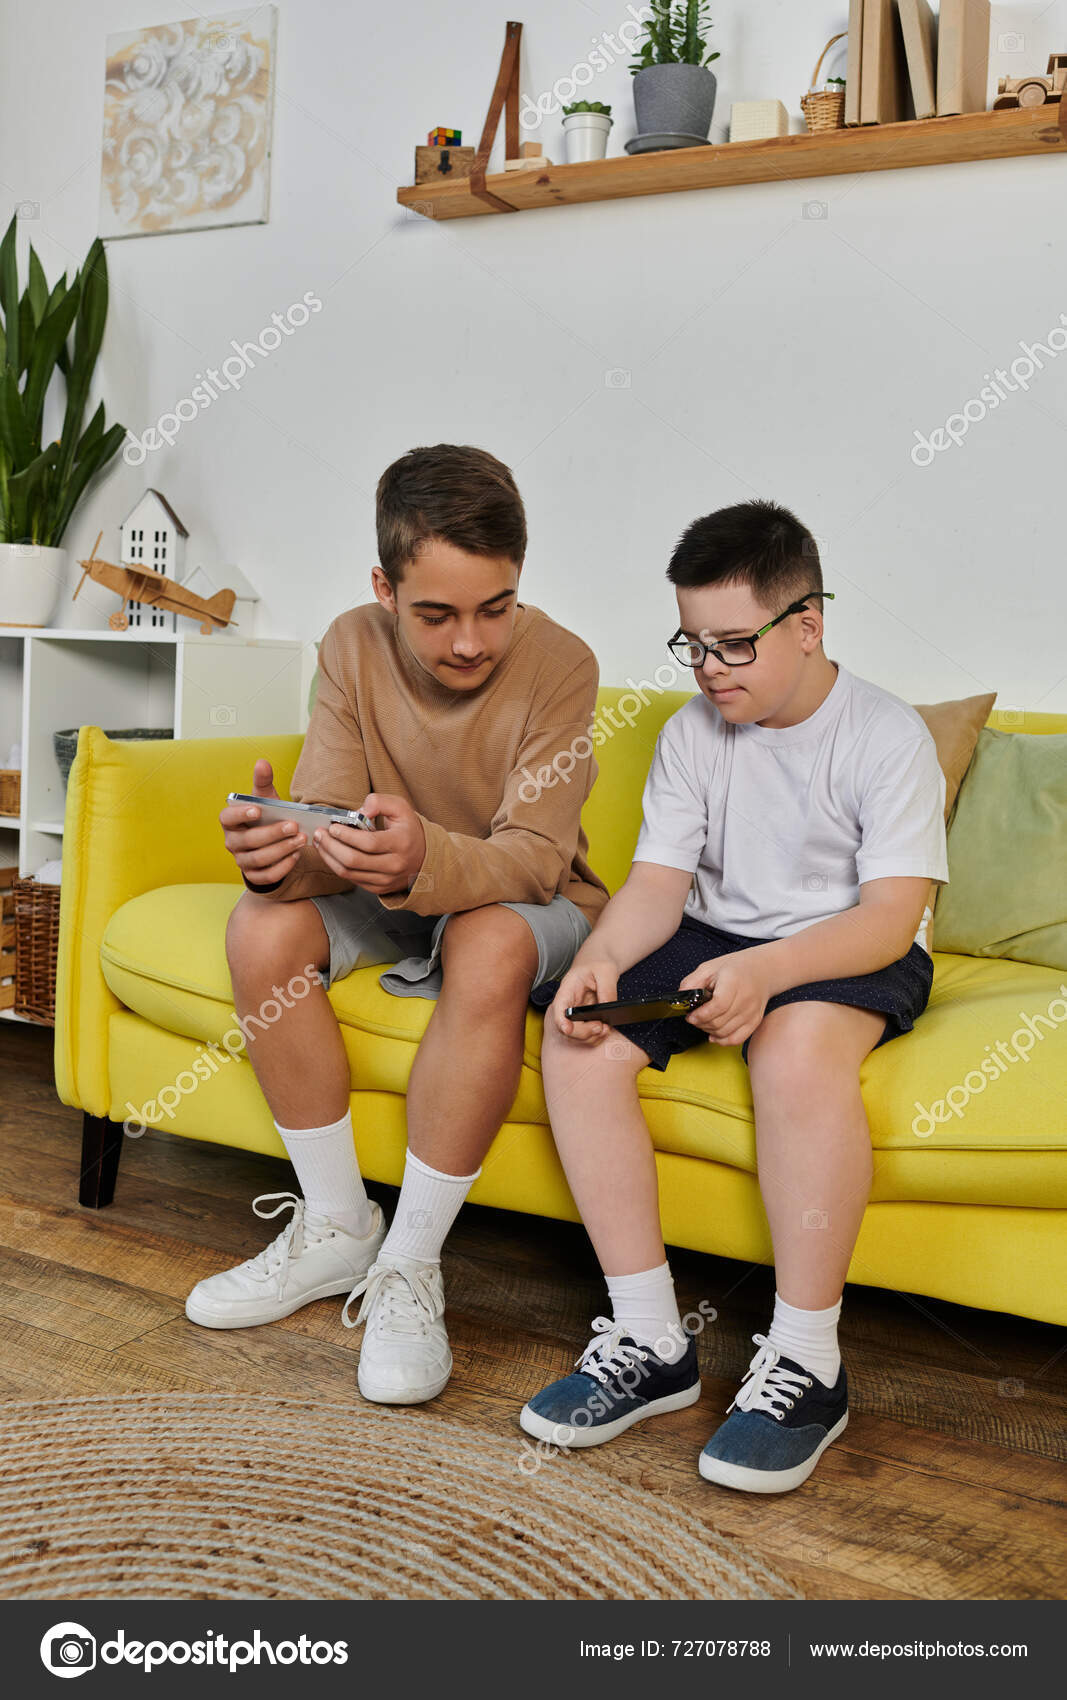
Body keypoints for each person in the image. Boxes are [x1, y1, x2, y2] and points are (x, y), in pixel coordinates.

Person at [519, 498, 948, 1493]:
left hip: (847, 937)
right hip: (716, 932)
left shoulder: (885, 736)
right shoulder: (690, 733)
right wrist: (604, 958)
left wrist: (766, 974)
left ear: (807, 623)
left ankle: (806, 1359)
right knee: (576, 1032)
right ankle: (648, 1339)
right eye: (692, 645)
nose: (711, 668)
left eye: (733, 644)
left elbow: (890, 917)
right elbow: (657, 889)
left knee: (791, 1050)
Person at [185, 443, 608, 1405]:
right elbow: (330, 819)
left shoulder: (561, 664)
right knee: (260, 926)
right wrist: (278, 854)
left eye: (494, 607)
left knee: (488, 936)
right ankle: (338, 1230)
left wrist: (423, 859)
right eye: (436, 613)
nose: (470, 641)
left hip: (524, 902)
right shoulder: (348, 643)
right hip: (392, 886)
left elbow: (536, 855)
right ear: (384, 587)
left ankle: (411, 1266)